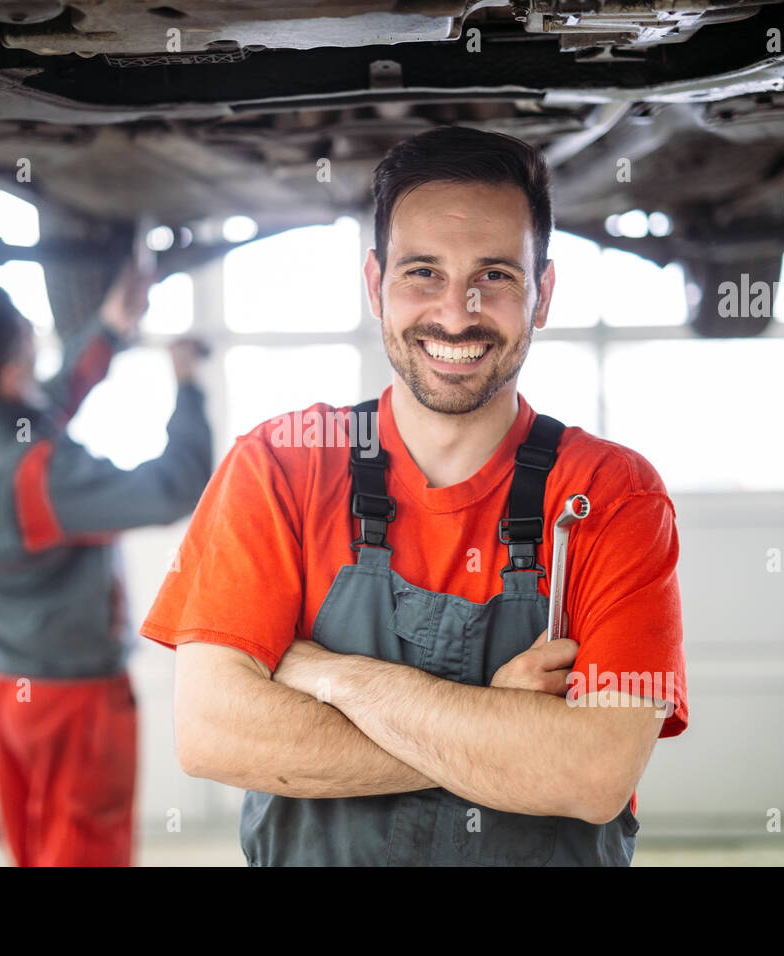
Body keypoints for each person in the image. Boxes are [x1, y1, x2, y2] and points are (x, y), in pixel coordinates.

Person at [140, 126, 688, 866]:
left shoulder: (612, 494)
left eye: (494, 275)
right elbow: (212, 733)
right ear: (375, 285)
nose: (457, 314)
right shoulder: (280, 464)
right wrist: (501, 728)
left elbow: (592, 774)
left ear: (544, 293)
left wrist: (334, 676)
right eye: (423, 273)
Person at [0, 262, 212, 866]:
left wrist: (110, 327)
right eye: (25, 332)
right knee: (85, 850)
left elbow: (40, 406)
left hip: (3, 686)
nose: (33, 329)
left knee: (34, 848)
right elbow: (175, 488)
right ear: (10, 368)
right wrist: (187, 384)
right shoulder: (40, 474)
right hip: (72, 701)